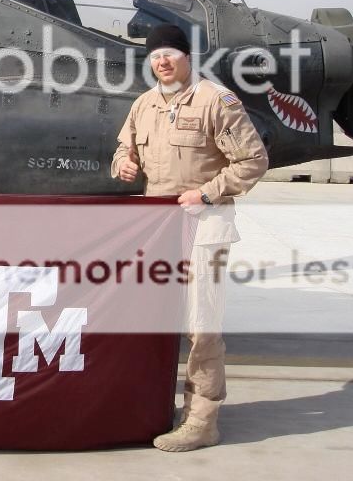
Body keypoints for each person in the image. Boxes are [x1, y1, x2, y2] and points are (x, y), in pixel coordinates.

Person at [110, 24, 267, 452]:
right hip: (158, 231)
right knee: (151, 324)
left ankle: (202, 419)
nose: (162, 61)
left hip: (206, 227)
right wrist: (123, 164)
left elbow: (254, 161)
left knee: (202, 325)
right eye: (155, 55)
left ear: (187, 58)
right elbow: (124, 150)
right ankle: (148, 407)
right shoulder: (144, 105)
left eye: (170, 54)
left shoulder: (215, 101)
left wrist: (208, 192)